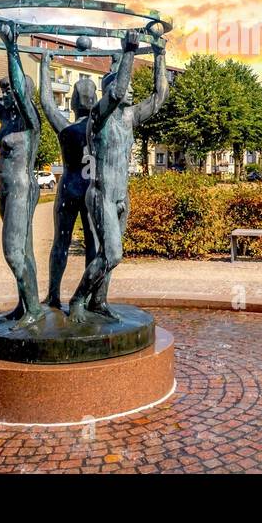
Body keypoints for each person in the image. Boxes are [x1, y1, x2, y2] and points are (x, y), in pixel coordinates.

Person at [67, 30, 168, 322]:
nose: (130, 90)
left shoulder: (129, 117)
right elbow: (118, 91)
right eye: (124, 85)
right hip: (100, 195)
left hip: (122, 197)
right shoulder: (100, 117)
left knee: (108, 258)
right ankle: (77, 300)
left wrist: (160, 55)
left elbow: (160, 96)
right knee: (112, 254)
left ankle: (98, 302)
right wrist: (128, 53)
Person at [0, 19, 44, 327]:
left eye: (9, 91)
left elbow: (19, 87)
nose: (3, 95)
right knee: (23, 250)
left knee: (14, 252)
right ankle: (26, 305)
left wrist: (12, 47)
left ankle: (34, 310)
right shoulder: (5, 117)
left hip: (21, 188)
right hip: (6, 188)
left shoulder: (29, 121)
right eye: (2, 91)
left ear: (22, 94)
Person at [37, 52, 97, 308]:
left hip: (69, 188)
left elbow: (46, 102)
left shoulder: (65, 128)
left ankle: (53, 294)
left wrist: (44, 66)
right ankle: (91, 296)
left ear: (72, 103)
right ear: (94, 102)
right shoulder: (100, 128)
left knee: (60, 241)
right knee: (93, 243)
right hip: (92, 188)